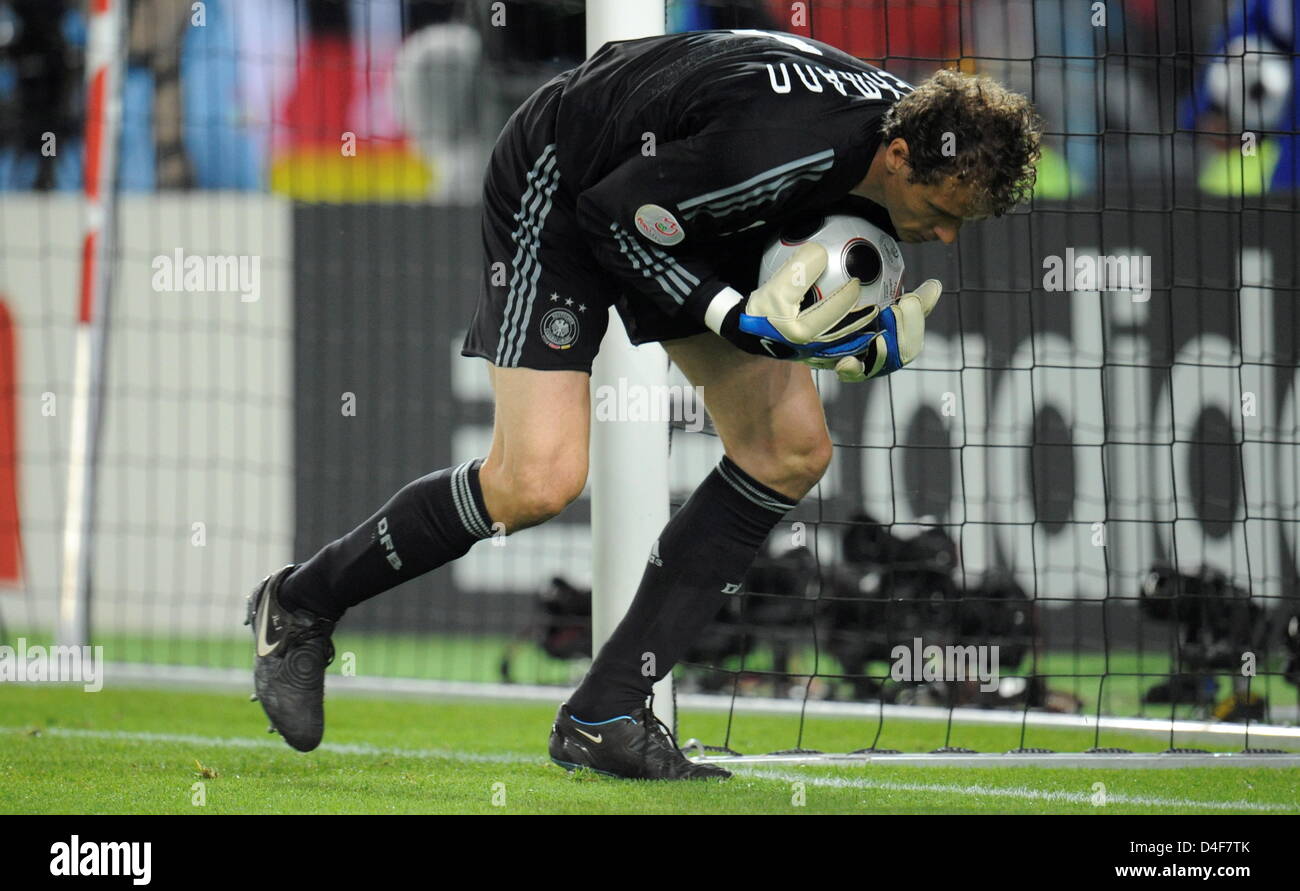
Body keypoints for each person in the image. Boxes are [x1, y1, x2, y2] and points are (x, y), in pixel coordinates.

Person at [245, 28, 1041, 779]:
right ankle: (302, 603)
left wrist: (853, 343)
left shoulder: (910, 127)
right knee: (536, 481)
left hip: (683, 202)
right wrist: (739, 316)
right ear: (899, 157)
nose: (943, 239)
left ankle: (605, 715)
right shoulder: (783, 141)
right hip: (565, 182)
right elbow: (612, 217)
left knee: (789, 450)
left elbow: (775, 246)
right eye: (941, 215)